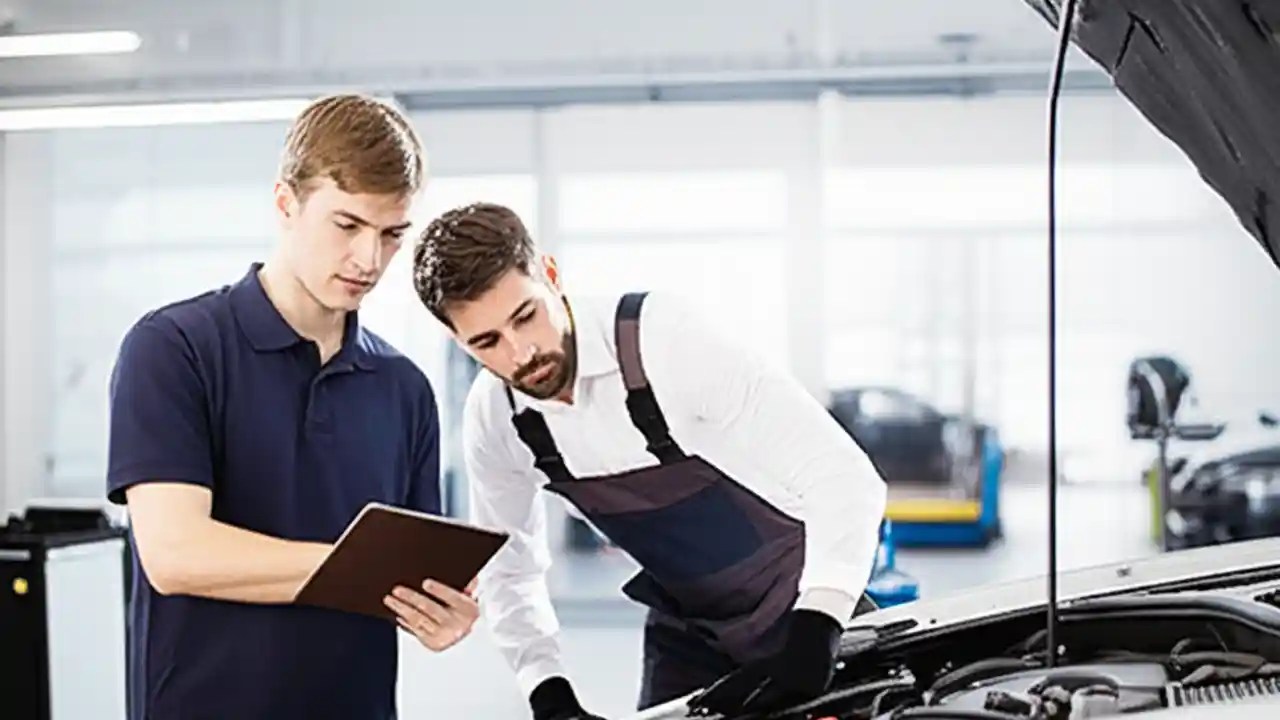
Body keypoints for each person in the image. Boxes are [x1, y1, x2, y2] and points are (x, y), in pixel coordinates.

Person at [410, 202, 889, 719]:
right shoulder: (497, 417)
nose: (521, 354)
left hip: (804, 606)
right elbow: (510, 569)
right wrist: (547, 691)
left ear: (550, 273)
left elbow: (842, 476)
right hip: (688, 630)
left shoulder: (662, 340)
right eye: (487, 342)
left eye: (526, 316)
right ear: (456, 339)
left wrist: (818, 628)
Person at [105, 93, 479, 720]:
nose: (369, 260)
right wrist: (361, 569)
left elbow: (409, 576)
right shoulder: (173, 348)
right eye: (347, 226)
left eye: (392, 234)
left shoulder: (405, 389)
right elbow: (175, 554)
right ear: (285, 203)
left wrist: (441, 611)